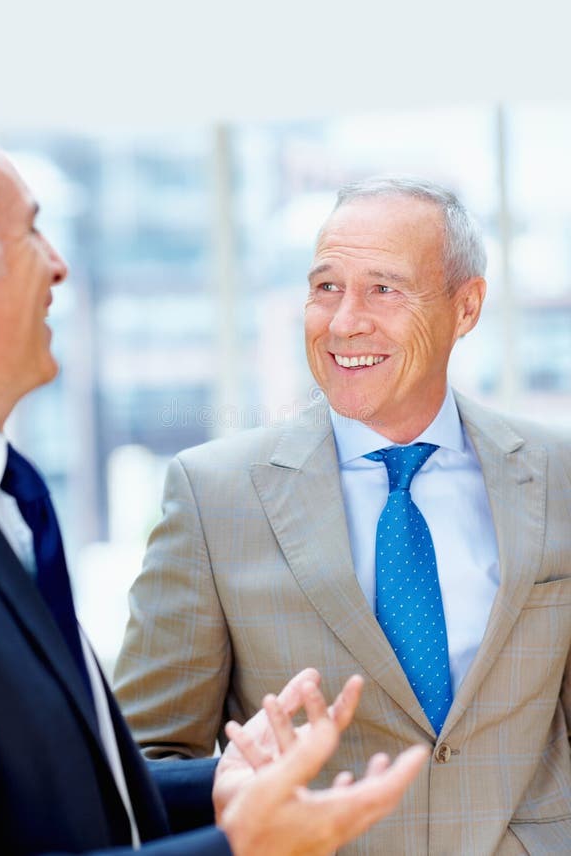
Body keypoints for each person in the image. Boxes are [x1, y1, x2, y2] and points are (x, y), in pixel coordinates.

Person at [0, 135, 429, 856]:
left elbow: (65, 795)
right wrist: (236, 847)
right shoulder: (207, 493)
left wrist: (222, 786)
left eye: (385, 288)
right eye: (30, 231)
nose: (58, 264)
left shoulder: (10, 501)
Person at [115, 177, 571, 854]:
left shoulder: (558, 474)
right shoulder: (213, 496)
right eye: (326, 287)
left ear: (467, 306)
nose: (343, 321)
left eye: (383, 288)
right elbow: (141, 772)